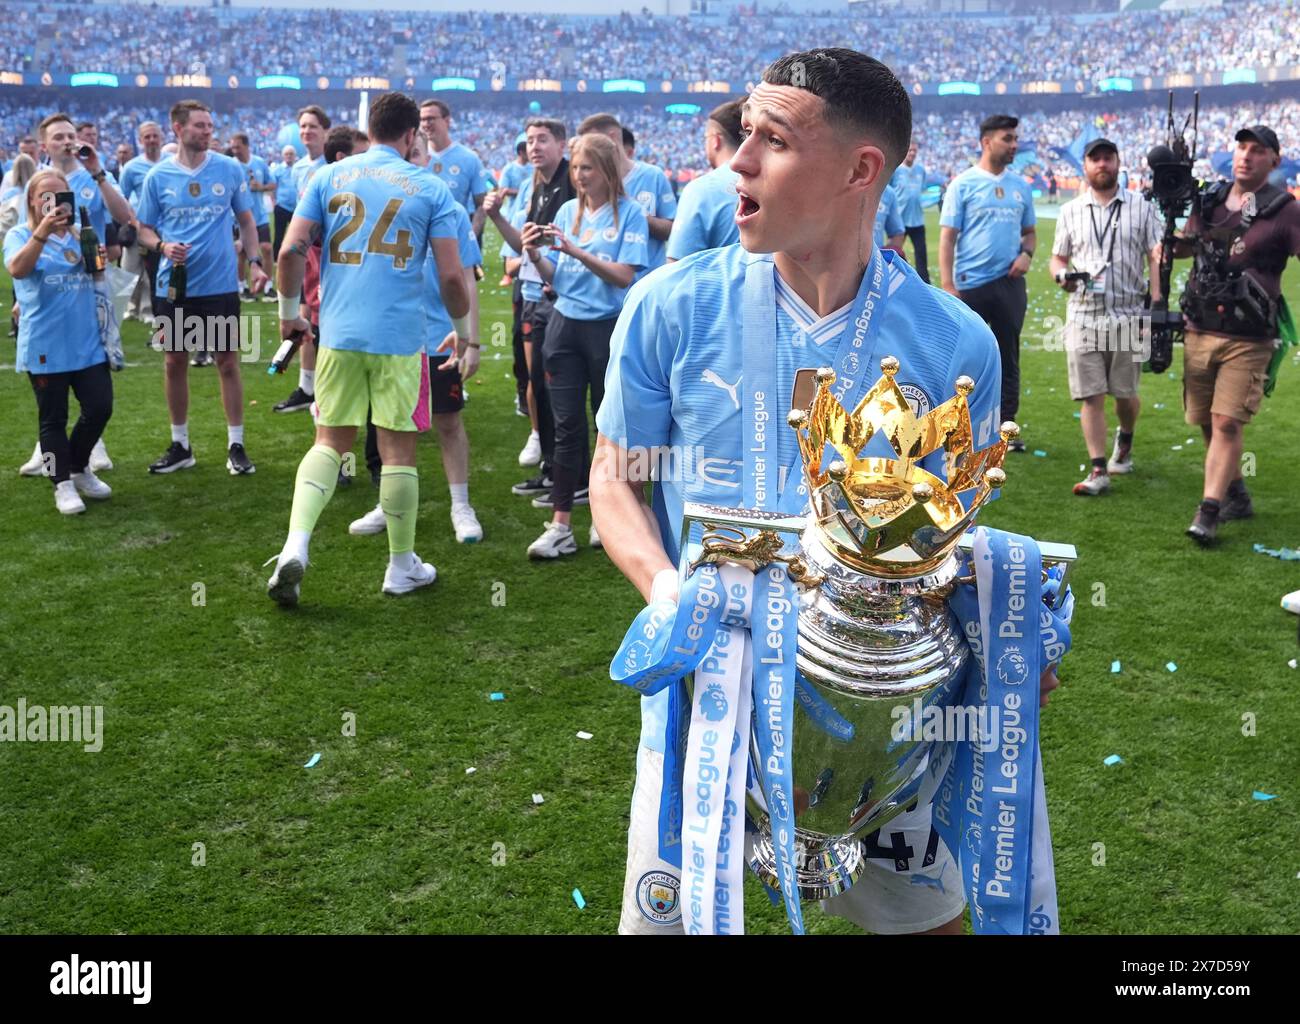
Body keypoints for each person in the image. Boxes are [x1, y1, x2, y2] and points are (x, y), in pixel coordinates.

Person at [590, 48, 1051, 936]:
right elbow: (615, 476)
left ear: (860, 168)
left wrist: (1009, 632)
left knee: (928, 926)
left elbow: (953, 530)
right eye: (745, 135)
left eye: (773, 139)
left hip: (877, 707)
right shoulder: (671, 304)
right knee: (674, 925)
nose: (738, 159)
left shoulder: (957, 346)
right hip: (711, 679)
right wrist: (665, 587)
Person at [265, 91, 470, 606]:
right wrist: (465, 329)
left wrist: (289, 314)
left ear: (370, 129)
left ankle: (296, 544)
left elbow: (290, 249)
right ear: (410, 135)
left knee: (329, 442)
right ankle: (401, 566)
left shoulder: (328, 176)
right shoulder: (430, 186)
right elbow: (450, 274)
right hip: (400, 339)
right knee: (398, 448)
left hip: (338, 334)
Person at [350, 130, 484, 545]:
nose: (412, 158)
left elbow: (465, 277)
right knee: (390, 425)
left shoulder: (450, 209)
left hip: (438, 335)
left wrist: (472, 339)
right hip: (391, 335)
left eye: (418, 152)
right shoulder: (378, 207)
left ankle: (460, 504)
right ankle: (388, 502)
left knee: (447, 420)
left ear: (428, 158)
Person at [521, 131, 648, 558]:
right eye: (575, 167)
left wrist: (575, 251)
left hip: (608, 328)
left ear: (608, 169)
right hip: (564, 325)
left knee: (610, 426)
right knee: (566, 425)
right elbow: (555, 277)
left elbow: (624, 276)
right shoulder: (569, 210)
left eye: (587, 167)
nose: (578, 176)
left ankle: (608, 516)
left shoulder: (630, 214)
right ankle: (560, 523)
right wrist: (536, 255)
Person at [1171, 124, 1300, 544]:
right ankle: (1236, 492)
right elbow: (1189, 245)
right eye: (1241, 147)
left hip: (1251, 335)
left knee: (1226, 421)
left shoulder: (1284, 210)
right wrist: (1169, 239)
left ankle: (1209, 511)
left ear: (1273, 160)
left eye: (1257, 150)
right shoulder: (1209, 199)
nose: (1246, 155)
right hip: (1199, 325)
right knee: (1208, 419)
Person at [136, 99, 268, 476]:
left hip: (220, 285)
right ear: (178, 129)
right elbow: (143, 228)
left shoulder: (228, 169)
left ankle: (236, 444)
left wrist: (255, 263)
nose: (208, 132)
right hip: (174, 287)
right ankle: (181, 445)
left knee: (227, 362)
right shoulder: (158, 177)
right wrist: (162, 246)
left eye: (211, 126)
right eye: (200, 126)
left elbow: (247, 220)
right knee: (175, 361)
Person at [1049, 137, 1163, 497]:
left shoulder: (1141, 208)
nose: (1102, 164)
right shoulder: (1070, 211)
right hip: (1083, 312)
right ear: (1085, 166)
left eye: (1107, 158)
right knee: (1091, 395)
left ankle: (1125, 437)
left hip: (1128, 312)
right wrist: (1060, 276)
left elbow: (1155, 255)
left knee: (1125, 395)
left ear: (1118, 162)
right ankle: (1099, 468)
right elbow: (1058, 258)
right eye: (1094, 159)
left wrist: (1157, 300)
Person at [4, 170, 113, 514]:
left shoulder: (82, 234)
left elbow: (96, 276)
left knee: (100, 407)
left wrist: (101, 262)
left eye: (60, 196)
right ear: (33, 201)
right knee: (52, 419)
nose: (53, 204)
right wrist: (42, 232)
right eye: (45, 197)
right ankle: (61, 483)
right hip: (45, 344)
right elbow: (17, 270)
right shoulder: (21, 234)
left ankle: (78, 467)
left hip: (86, 341)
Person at [482, 117, 575, 498]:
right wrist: (496, 217)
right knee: (539, 383)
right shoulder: (534, 185)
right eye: (530, 141)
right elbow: (524, 245)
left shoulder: (571, 182)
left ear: (561, 144)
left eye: (542, 140)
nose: (534, 147)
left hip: (560, 296)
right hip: (535, 292)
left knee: (560, 389)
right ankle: (551, 467)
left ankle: (571, 475)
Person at [939, 113, 1036, 450]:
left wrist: (1027, 255)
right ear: (986, 142)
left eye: (1014, 139)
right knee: (966, 358)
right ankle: (957, 428)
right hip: (969, 285)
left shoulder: (1021, 186)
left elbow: (1031, 233)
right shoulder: (962, 184)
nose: (1014, 145)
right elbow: (948, 237)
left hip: (1009, 285)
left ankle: (1006, 429)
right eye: (1007, 139)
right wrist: (949, 286)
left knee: (1008, 357)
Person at [273, 105, 331, 414]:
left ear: (325, 131)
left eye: (313, 126)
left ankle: (320, 389)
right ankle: (306, 386)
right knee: (304, 316)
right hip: (304, 252)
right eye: (303, 126)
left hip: (324, 253)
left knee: (319, 322)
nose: (307, 132)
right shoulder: (297, 168)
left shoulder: (330, 166)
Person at [577, 113, 676, 274]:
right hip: (602, 286)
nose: (586, 148)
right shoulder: (587, 181)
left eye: (592, 141)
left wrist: (632, 215)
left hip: (645, 281)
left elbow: (671, 230)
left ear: (613, 137)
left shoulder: (653, 176)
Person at [666, 98, 742, 261]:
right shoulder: (773, 182)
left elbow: (677, 266)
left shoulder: (701, 189)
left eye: (705, 138)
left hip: (715, 286)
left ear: (715, 140)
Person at [118, 121, 165, 322]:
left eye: (155, 136)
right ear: (140, 140)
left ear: (162, 138)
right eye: (147, 137)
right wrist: (133, 220)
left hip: (165, 227)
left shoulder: (171, 162)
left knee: (152, 271)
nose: (152, 140)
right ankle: (128, 307)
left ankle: (147, 310)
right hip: (138, 226)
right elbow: (122, 198)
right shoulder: (131, 168)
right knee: (129, 268)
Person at [419, 100, 487, 222]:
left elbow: (481, 205)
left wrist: (470, 235)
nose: (425, 124)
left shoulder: (469, 158)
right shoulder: (414, 157)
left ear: (447, 121)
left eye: (430, 119)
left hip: (456, 235)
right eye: (422, 120)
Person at [229, 132, 275, 299]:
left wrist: (261, 187)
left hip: (260, 215)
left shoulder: (259, 162)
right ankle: (242, 287)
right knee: (241, 252)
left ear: (247, 146)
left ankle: (268, 285)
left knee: (267, 249)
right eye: (232, 147)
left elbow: (272, 184)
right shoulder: (231, 165)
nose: (234, 150)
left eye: (237, 147)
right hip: (238, 217)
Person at [891, 140, 929, 282]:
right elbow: (888, 191)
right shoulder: (896, 170)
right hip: (899, 220)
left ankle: (925, 285)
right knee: (894, 253)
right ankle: (893, 281)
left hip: (917, 220)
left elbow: (922, 189)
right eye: (910, 150)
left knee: (921, 255)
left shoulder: (920, 170)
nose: (912, 153)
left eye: (915, 151)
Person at [270, 144, 298, 262]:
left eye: (291, 154)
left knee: (296, 235)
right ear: (283, 156)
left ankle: (295, 257)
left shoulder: (298, 168)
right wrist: (274, 201)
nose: (289, 156)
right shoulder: (277, 170)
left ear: (294, 156)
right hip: (281, 206)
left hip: (296, 207)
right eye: (286, 154)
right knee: (279, 234)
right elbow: (273, 187)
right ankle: (276, 258)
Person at [874, 180, 905, 253]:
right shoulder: (842, 186)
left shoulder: (888, 193)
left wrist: (884, 259)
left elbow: (897, 233)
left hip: (874, 261)